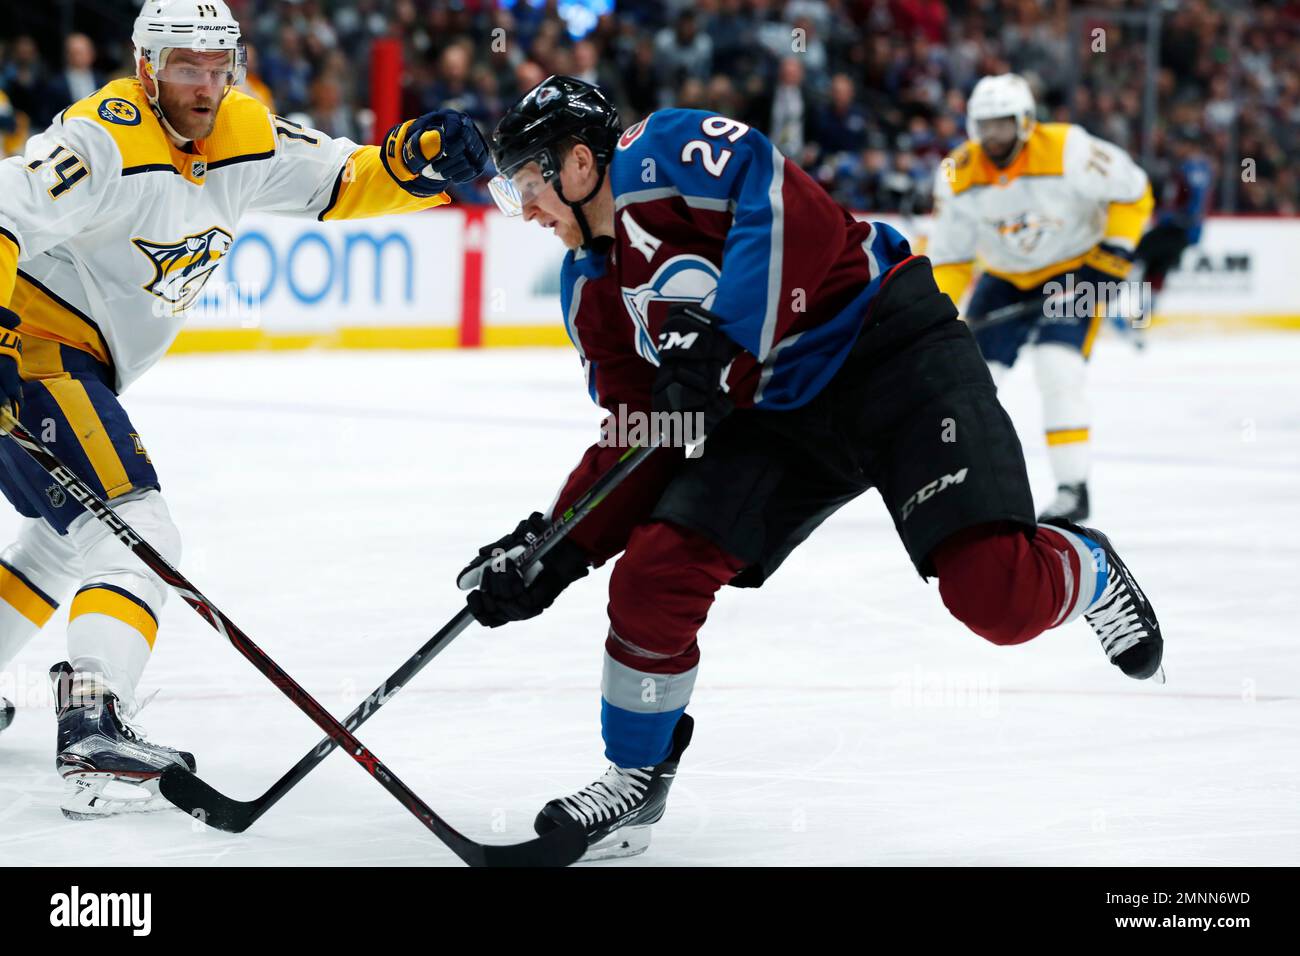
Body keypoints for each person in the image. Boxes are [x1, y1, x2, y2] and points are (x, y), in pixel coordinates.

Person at [463, 75, 1164, 862]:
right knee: (655, 573)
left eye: (528, 181)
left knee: (996, 595)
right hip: (776, 418)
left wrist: (725, 339)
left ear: (581, 163)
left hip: (891, 355)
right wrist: (555, 547)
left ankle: (1089, 567)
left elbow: (778, 197)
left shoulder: (661, 152)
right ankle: (636, 777)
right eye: (510, 188)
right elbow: (642, 433)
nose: (523, 207)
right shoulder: (590, 287)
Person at [0, 0, 487, 818]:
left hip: (78, 367)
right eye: (185, 67)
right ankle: (91, 724)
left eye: (217, 66)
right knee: (136, 531)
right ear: (146, 66)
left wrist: (416, 162)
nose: (205, 84)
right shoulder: (103, 135)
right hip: (36, 357)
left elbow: (340, 179)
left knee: (60, 540)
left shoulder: (246, 131)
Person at [928, 74, 1154, 522]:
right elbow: (951, 258)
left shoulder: (1069, 149)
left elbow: (1134, 192)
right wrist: (936, 309)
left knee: (1057, 367)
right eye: (984, 125)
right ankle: (964, 480)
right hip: (1004, 277)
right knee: (971, 381)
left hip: (1074, 270)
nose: (993, 137)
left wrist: (1114, 251)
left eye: (1003, 124)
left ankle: (1073, 489)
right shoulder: (957, 173)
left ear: (1026, 122)